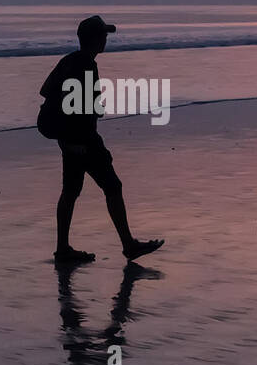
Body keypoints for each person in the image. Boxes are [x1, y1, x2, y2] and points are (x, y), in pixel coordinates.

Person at [38, 15, 164, 264]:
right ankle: (128, 244)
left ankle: (62, 248)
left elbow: (45, 91)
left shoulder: (69, 60)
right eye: (104, 35)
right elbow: (86, 110)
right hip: (82, 139)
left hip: (68, 138)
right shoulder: (86, 65)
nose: (106, 39)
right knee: (112, 187)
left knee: (70, 192)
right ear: (95, 39)